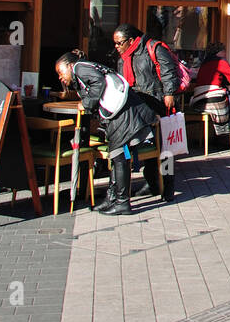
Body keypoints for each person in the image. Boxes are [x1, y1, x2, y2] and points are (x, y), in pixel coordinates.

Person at [54, 51, 157, 216]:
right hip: (123, 114)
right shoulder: (83, 69)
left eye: (60, 72)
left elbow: (98, 81)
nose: (60, 77)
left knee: (119, 157)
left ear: (70, 65)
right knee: (118, 157)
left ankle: (122, 203)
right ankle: (113, 199)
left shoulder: (80, 68)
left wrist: (86, 103)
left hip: (124, 116)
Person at [113, 23, 179, 199]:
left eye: (120, 43)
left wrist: (169, 93)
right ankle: (153, 183)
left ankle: (168, 186)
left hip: (159, 102)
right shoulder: (124, 57)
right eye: (116, 43)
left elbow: (169, 72)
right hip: (138, 106)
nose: (117, 47)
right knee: (148, 145)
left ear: (132, 40)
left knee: (166, 150)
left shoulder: (154, 48)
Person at [191, 42, 230, 135]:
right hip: (213, 101)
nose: (225, 54)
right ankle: (225, 132)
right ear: (219, 52)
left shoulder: (204, 63)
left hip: (198, 101)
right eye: (224, 51)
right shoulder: (220, 62)